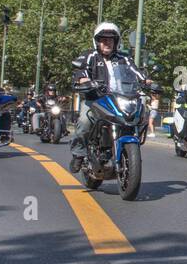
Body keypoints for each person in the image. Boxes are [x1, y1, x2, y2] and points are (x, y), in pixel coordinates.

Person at [68, 22, 158, 173]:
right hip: (96, 99)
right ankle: (78, 154)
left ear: (116, 42)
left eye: (111, 39)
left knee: (139, 116)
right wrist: (83, 80)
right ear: (97, 41)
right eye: (103, 39)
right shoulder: (90, 55)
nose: (107, 42)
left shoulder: (124, 58)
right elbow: (81, 70)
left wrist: (147, 82)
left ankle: (123, 152)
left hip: (120, 98)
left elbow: (136, 72)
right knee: (84, 121)